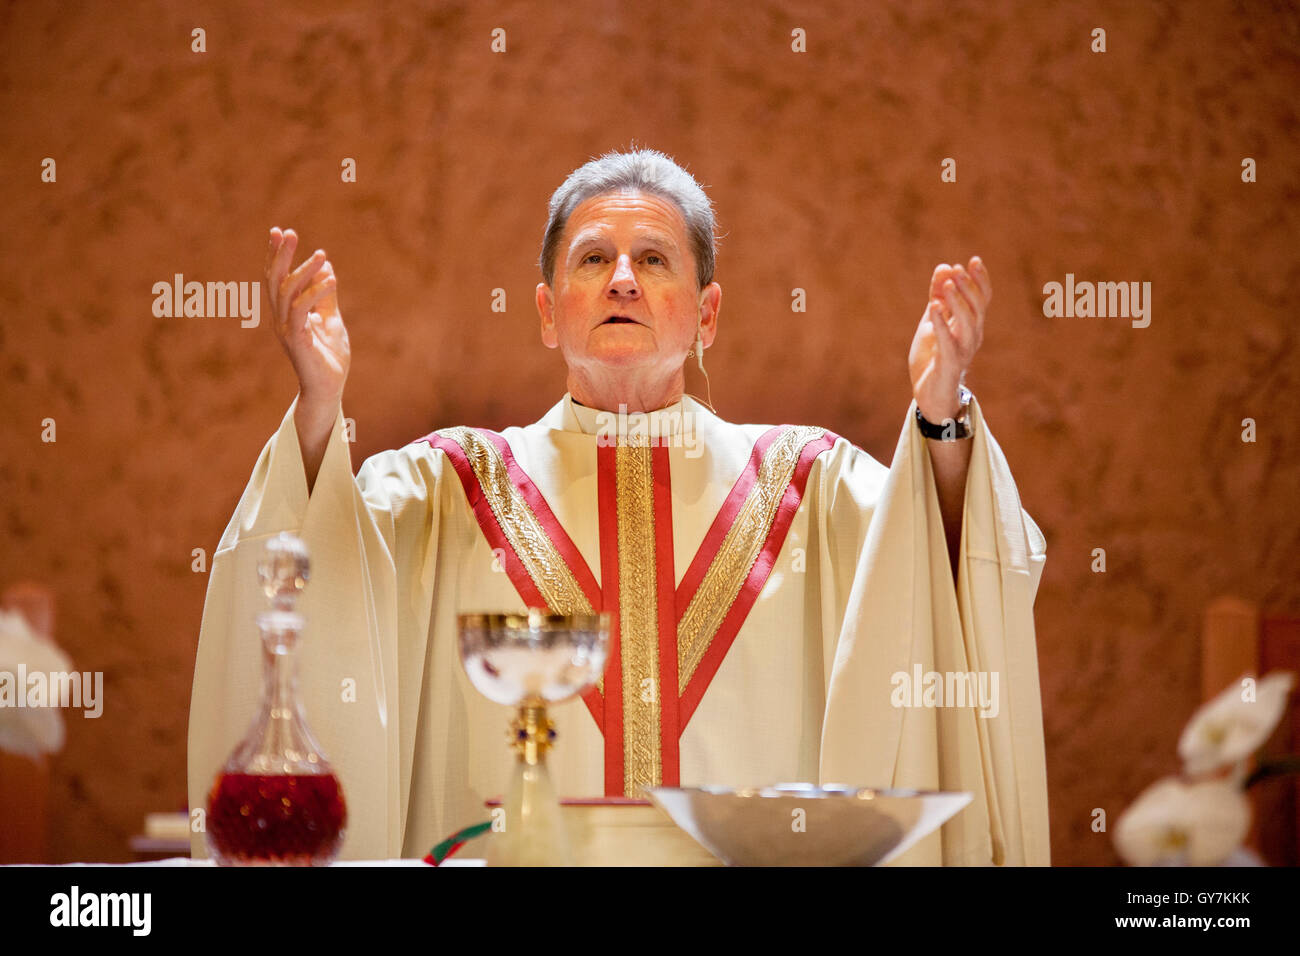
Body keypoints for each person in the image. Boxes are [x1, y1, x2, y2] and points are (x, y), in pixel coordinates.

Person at [187, 148, 1049, 865]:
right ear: (547, 314)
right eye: (593, 259)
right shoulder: (452, 482)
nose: (623, 281)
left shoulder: (809, 481)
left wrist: (939, 416)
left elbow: (941, 566)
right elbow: (308, 560)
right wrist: (318, 406)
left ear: (707, 315)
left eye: (655, 260)